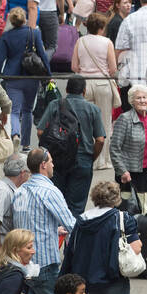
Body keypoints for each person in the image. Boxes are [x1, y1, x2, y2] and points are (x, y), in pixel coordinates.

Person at [11, 147, 77, 294]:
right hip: (45, 262)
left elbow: (26, 221)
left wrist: (50, 228)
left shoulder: (20, 192)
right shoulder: (49, 191)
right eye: (51, 161)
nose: (53, 165)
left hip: (22, 264)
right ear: (43, 165)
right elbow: (71, 223)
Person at [37, 77, 104, 216]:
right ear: (84, 91)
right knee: (76, 207)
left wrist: (50, 151)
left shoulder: (55, 104)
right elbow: (100, 140)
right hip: (83, 160)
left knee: (56, 204)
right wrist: (91, 157)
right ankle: (72, 236)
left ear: (66, 90)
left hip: (57, 159)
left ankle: (57, 235)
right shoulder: (93, 109)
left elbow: (40, 131)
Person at [0, 6, 50, 149]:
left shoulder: (7, 36)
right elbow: (42, 55)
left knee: (14, 111)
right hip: (31, 76)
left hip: (13, 77)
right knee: (28, 110)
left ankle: (15, 134)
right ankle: (26, 144)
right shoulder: (34, 33)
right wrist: (48, 74)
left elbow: (0, 59)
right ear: (24, 19)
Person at [72, 14, 119, 171]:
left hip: (84, 84)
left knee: (84, 123)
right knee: (104, 122)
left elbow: (74, 66)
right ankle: (102, 161)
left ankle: (85, 156)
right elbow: (112, 68)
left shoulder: (81, 41)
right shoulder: (107, 42)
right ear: (101, 27)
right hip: (102, 83)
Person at [110, 84, 147, 210]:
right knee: (126, 207)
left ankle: (142, 229)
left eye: (145, 97)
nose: (142, 101)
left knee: (143, 206)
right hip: (126, 172)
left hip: (143, 169)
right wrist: (122, 171)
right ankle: (124, 229)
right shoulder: (124, 119)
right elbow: (114, 148)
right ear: (132, 101)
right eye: (138, 98)